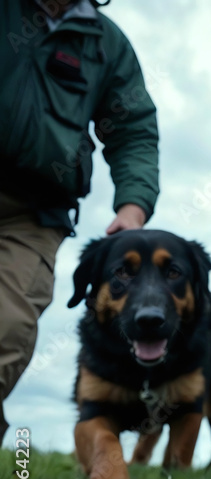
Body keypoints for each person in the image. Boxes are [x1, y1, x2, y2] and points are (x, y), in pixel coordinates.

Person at [0, 0, 159, 440]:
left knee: (6, 328)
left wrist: (133, 205)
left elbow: (135, 130)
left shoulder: (107, 43)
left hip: (32, 213)